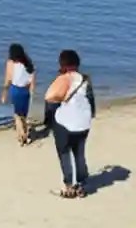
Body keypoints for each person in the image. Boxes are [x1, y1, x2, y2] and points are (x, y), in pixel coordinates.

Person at [44, 49, 96, 198]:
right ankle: (82, 184)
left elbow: (51, 102)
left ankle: (69, 186)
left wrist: (48, 122)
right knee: (79, 153)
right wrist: (90, 116)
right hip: (83, 122)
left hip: (65, 123)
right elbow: (91, 102)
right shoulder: (85, 80)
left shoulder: (61, 79)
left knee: (64, 153)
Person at [1, 43, 36, 145]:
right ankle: (24, 133)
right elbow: (32, 82)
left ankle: (21, 135)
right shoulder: (29, 64)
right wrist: (32, 94)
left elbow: (8, 79)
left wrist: (4, 92)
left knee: (17, 115)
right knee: (23, 115)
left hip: (15, 89)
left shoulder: (11, 63)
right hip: (25, 91)